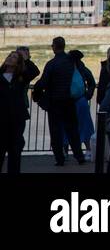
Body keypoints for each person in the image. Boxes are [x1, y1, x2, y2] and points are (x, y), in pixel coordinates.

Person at [31, 36, 86, 166]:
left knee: (56, 131)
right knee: (72, 129)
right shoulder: (72, 61)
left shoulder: (52, 64)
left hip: (55, 101)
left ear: (54, 47)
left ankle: (59, 158)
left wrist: (36, 93)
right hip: (69, 100)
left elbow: (43, 82)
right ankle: (79, 156)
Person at [1, 51, 30, 173]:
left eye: (14, 57)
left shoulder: (20, 78)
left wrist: (25, 59)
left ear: (18, 63)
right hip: (2, 118)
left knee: (15, 150)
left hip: (17, 118)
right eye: (10, 56)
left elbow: (35, 72)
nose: (10, 58)